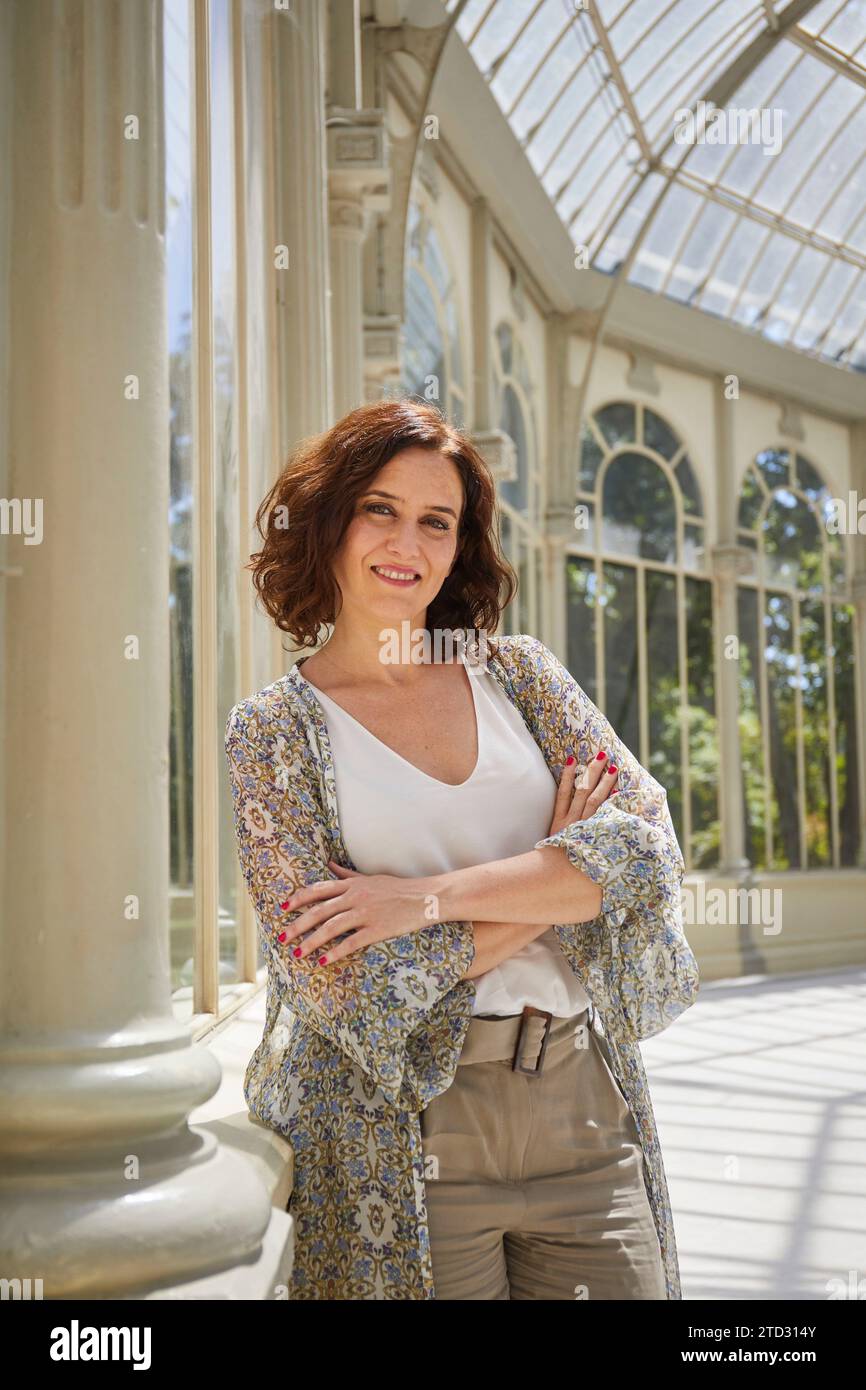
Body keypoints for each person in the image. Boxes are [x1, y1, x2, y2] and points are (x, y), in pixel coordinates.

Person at [224, 397, 699, 1300]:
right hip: (400, 1127)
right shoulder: (272, 734)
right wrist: (559, 873)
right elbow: (345, 988)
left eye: (436, 522)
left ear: (459, 545)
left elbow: (646, 852)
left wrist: (422, 900)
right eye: (380, 509)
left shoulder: (521, 676)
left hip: (584, 1104)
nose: (408, 543)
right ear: (328, 519)